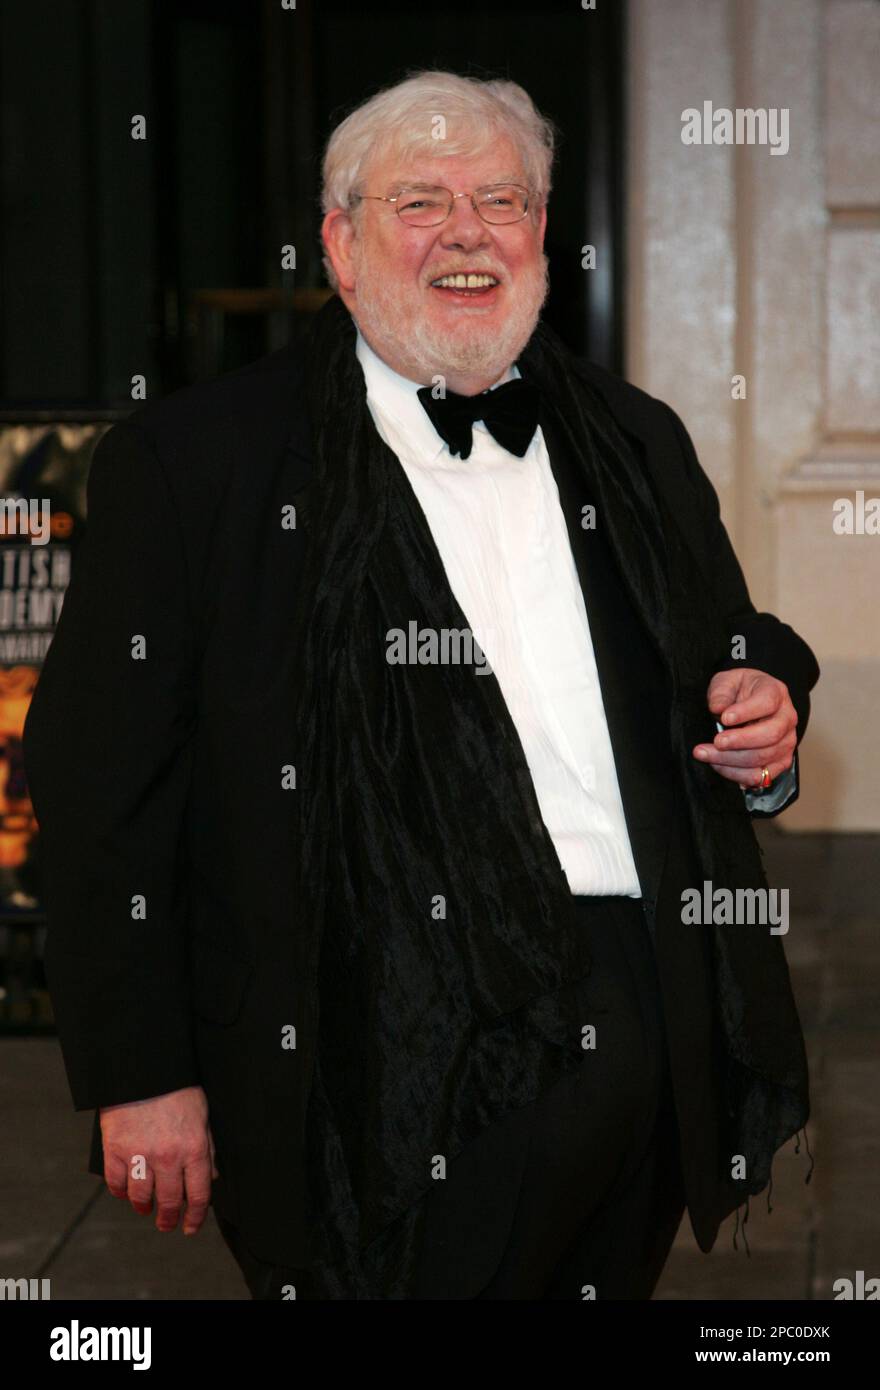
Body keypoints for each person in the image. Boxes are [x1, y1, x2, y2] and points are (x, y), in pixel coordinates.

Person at [22, 69, 819, 1301]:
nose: (466, 231)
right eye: (420, 200)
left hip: (648, 1007)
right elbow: (94, 788)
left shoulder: (635, 436)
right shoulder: (196, 466)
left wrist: (763, 721)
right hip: (371, 1044)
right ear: (340, 244)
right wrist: (140, 1072)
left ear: (541, 230)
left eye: (500, 198)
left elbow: (726, 656)